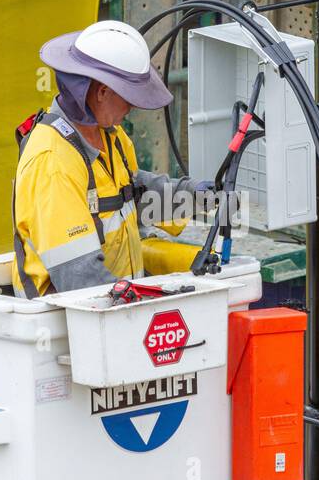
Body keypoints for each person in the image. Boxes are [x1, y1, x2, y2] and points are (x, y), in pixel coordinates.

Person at [12, 19, 212, 297]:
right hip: (65, 322)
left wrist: (197, 196)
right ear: (103, 93)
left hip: (112, 308)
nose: (132, 106)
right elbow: (79, 277)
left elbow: (131, 195)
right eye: (129, 97)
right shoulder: (53, 162)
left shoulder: (110, 137)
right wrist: (136, 304)